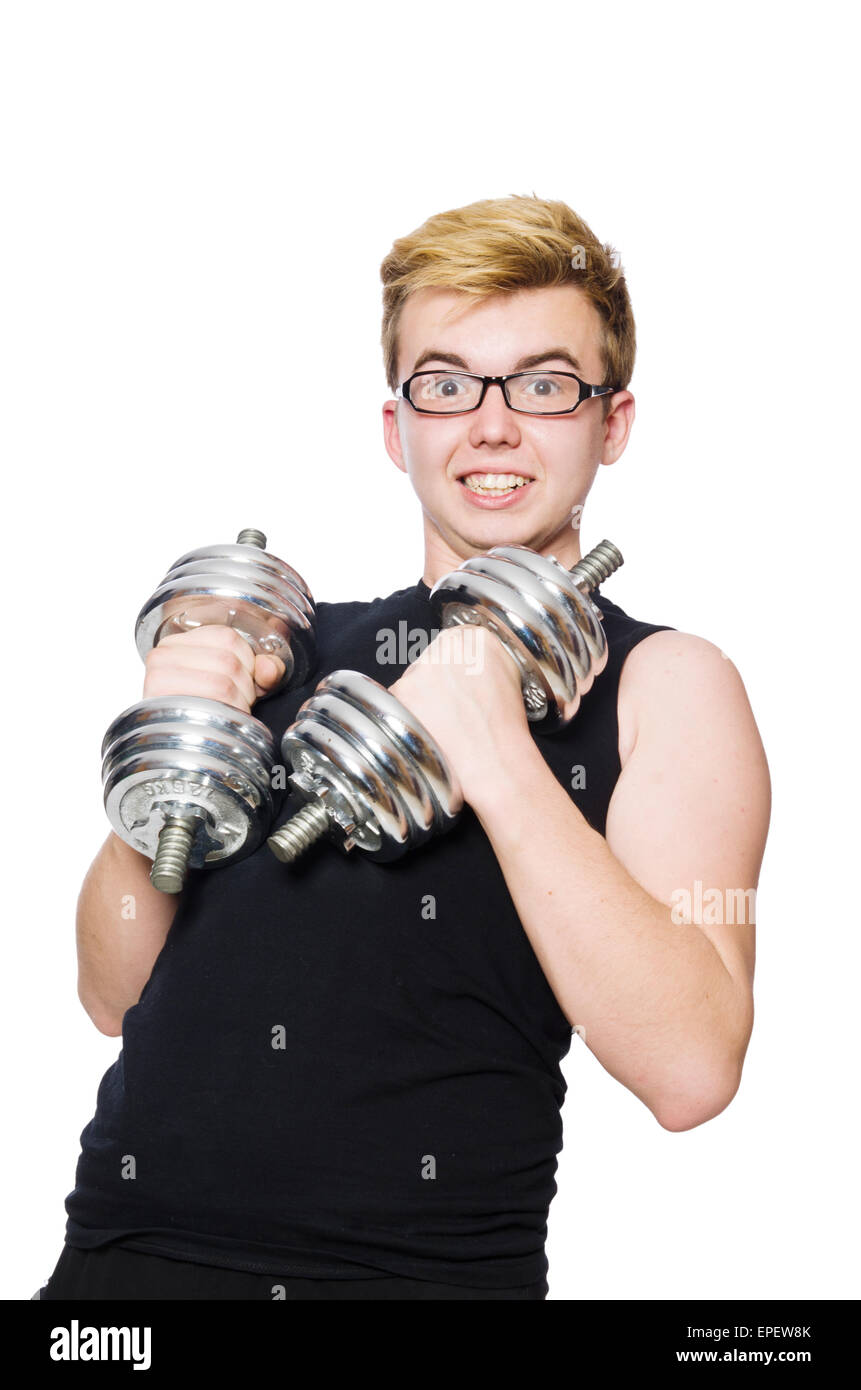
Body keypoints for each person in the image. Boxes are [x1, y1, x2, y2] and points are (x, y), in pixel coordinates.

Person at [36, 194, 770, 1301]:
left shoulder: (666, 683)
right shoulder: (284, 650)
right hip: (122, 1267)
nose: (491, 426)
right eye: (446, 383)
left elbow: (692, 1068)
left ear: (611, 423)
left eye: (544, 385)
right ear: (399, 426)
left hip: (418, 1279)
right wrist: (178, 756)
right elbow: (110, 994)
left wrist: (500, 753)